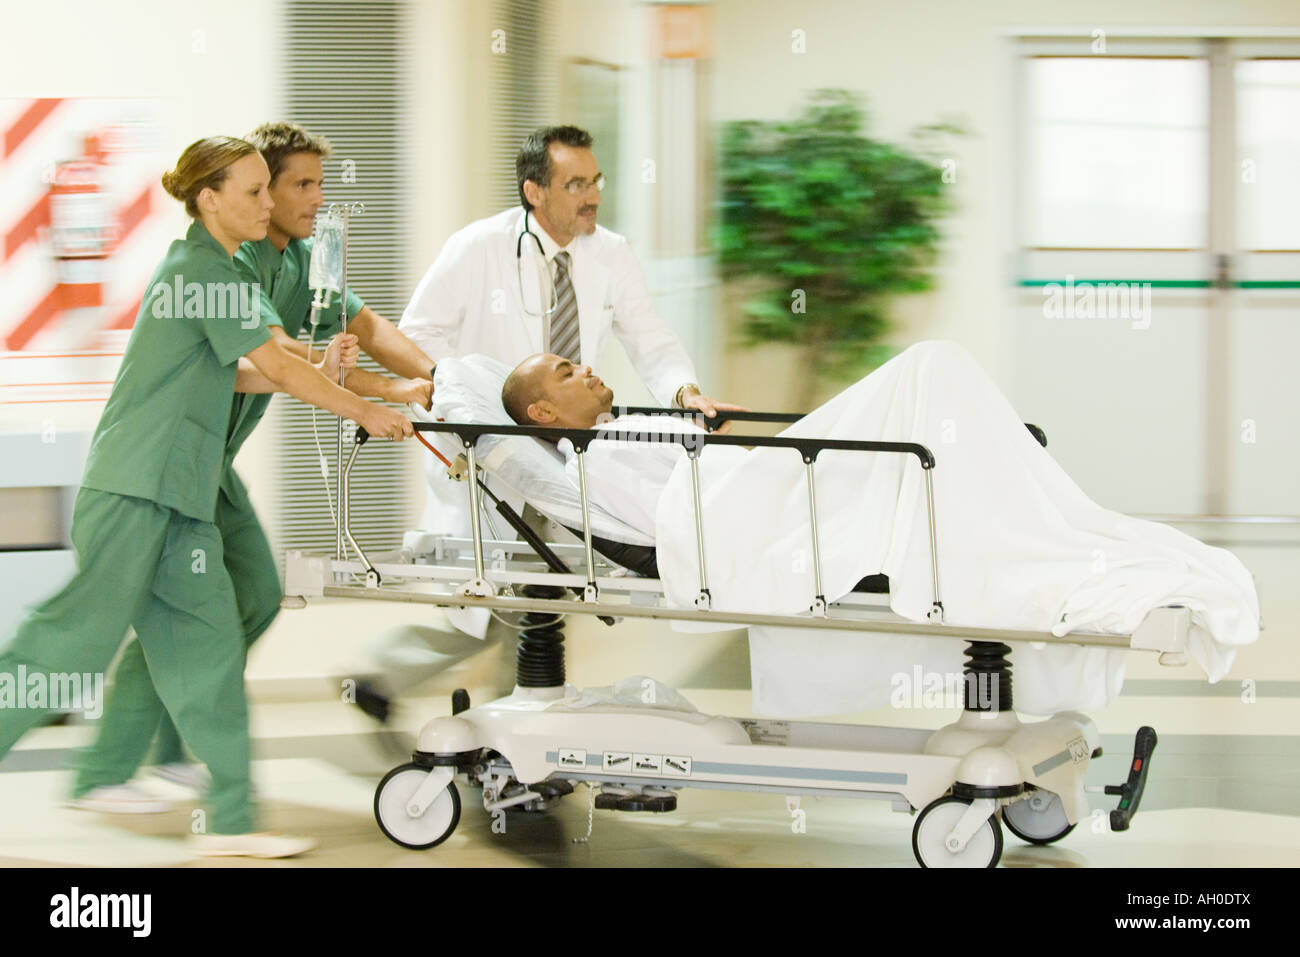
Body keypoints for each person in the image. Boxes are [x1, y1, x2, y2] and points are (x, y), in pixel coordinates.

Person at [0, 136, 412, 859]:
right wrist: (363, 408)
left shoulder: (223, 274)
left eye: (267, 189)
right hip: (132, 489)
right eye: (253, 191)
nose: (267, 203)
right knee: (67, 647)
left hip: (183, 497)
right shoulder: (198, 269)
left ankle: (230, 819)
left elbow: (259, 368)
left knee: (212, 645)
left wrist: (326, 368)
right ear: (208, 199)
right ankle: (169, 790)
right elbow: (278, 369)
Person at [499, 346, 1259, 720]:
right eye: (567, 371)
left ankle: (1021, 507)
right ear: (543, 414)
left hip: (764, 489)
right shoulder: (594, 464)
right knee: (928, 369)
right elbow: (686, 523)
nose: (587, 368)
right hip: (751, 510)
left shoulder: (632, 425)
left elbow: (712, 473)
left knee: (934, 384)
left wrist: (707, 438)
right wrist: (729, 461)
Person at [352, 126, 743, 721]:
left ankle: (514, 733)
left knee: (543, 594)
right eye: (576, 184)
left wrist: (684, 391)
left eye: (596, 181)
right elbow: (416, 335)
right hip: (497, 453)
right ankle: (404, 689)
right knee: (494, 602)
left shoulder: (610, 253)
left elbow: (650, 339)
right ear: (535, 191)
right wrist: (472, 402)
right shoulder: (477, 248)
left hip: (566, 458)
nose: (593, 196)